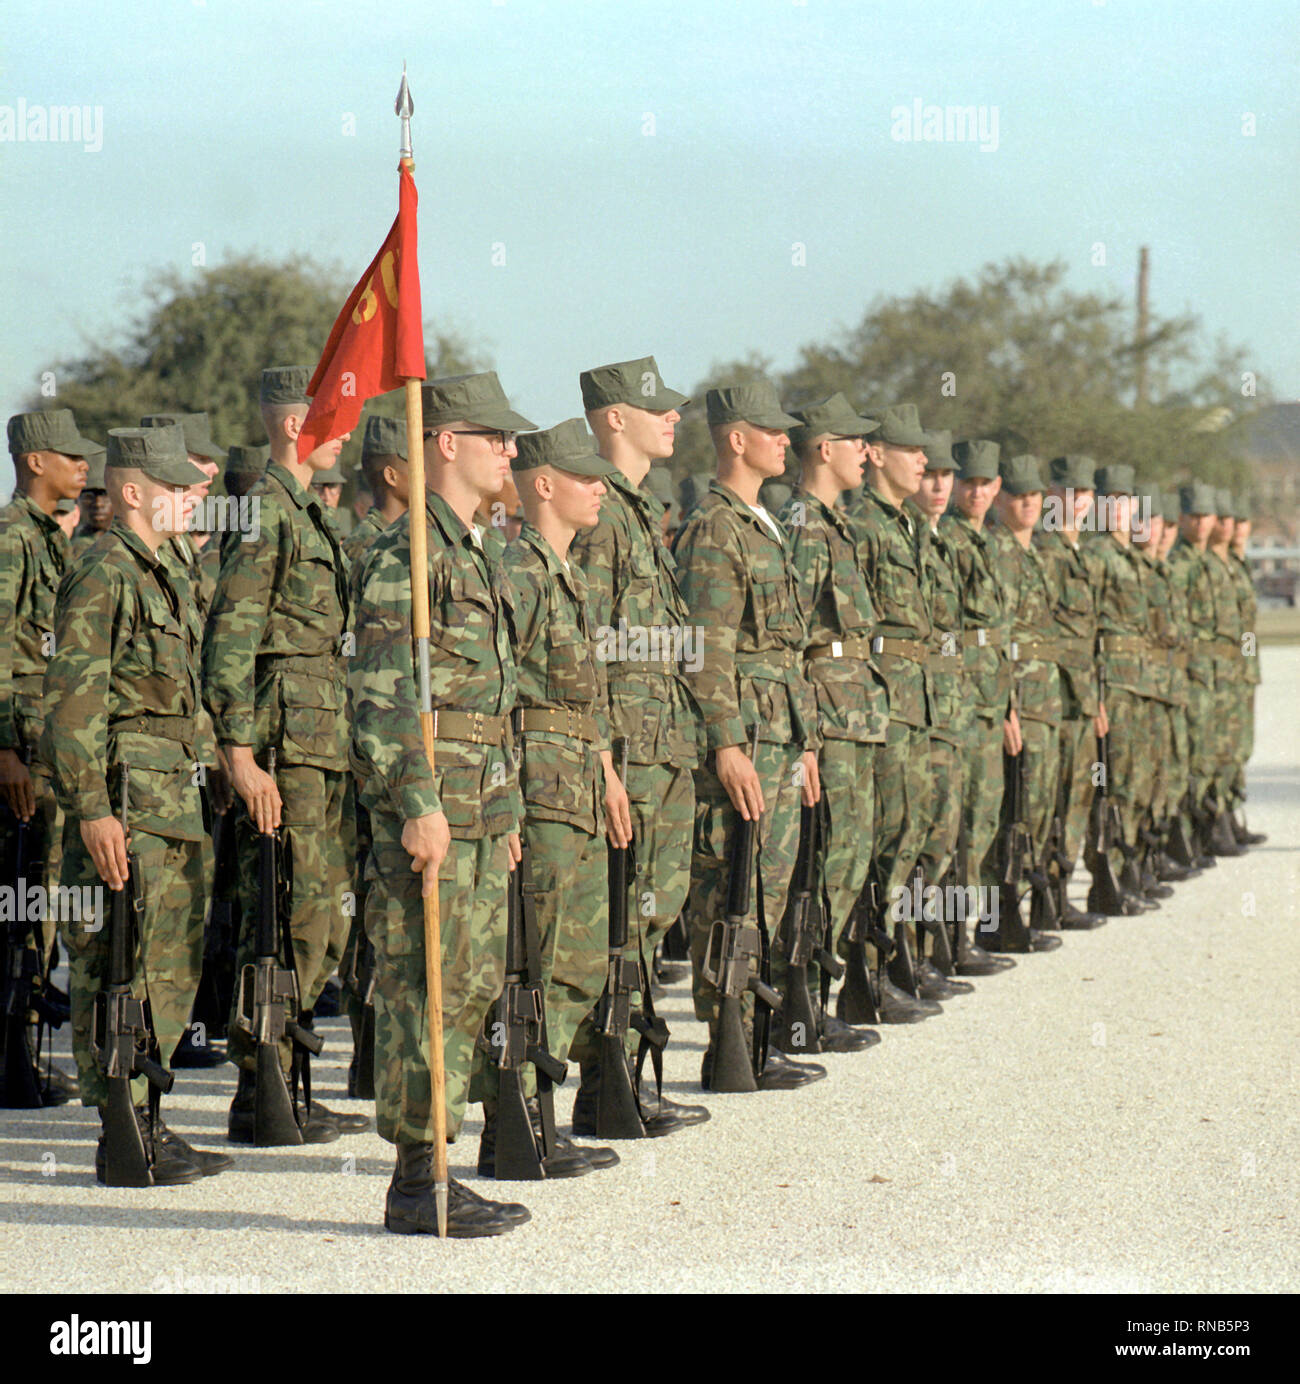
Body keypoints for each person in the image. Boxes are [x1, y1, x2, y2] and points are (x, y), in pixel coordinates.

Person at [350, 370, 536, 1236]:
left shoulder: (474, 550)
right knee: (422, 988)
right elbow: (383, 697)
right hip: (429, 810)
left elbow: (489, 700)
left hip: (478, 806)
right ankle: (417, 1179)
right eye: (493, 436)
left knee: (463, 986)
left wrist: (502, 814)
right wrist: (419, 803)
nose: (509, 450)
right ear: (446, 443)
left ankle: (440, 1164)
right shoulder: (406, 556)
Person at [41, 424, 231, 1183]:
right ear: (130, 492)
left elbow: (184, 698)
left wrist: (217, 761)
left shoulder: (167, 573)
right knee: (112, 960)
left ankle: (147, 1118)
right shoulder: (103, 572)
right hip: (125, 796)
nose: (189, 499)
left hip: (171, 796)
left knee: (165, 959)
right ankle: (119, 1124)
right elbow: (72, 705)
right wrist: (91, 808)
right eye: (174, 488)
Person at [201, 367, 367, 1144]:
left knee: (320, 912)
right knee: (286, 908)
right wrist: (238, 752)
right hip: (282, 743)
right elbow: (231, 636)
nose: (346, 428)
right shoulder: (267, 510)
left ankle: (285, 1068)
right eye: (335, 414)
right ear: (296, 422)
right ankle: (260, 1078)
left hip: (321, 739)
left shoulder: (306, 511)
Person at [474, 418, 622, 1175]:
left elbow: (584, 697)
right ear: (542, 485)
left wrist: (606, 768)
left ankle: (541, 1116)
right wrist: (500, 807)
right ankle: (518, 1121)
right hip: (535, 787)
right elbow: (493, 700)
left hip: (575, 783)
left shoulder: (571, 574)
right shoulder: (517, 573)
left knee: (576, 957)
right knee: (527, 959)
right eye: (584, 475)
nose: (599, 486)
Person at [672, 381, 826, 1091]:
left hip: (780, 728)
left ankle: (756, 1036)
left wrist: (806, 742)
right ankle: (725, 1033)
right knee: (731, 881)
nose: (785, 443)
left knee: (766, 880)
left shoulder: (760, 523)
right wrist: (727, 744)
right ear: (736, 439)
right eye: (770, 431)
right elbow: (706, 648)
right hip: (748, 734)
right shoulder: (716, 528)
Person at [568, 355, 708, 1131]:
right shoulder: (601, 515)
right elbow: (577, 643)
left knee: (652, 910)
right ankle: (603, 1081)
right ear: (613, 417)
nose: (674, 419)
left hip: (659, 740)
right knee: (619, 914)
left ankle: (623, 1077)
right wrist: (598, 760)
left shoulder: (638, 510)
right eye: (658, 408)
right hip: (623, 744)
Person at [778, 394, 899, 1030]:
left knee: (849, 853)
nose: (866, 453)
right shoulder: (802, 526)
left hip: (854, 708)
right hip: (827, 714)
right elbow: (789, 637)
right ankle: (802, 999)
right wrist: (804, 737)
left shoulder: (835, 523)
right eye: (855, 443)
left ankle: (823, 992)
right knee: (825, 858)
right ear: (825, 449)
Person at [0, 408, 94, 1106]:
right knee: (17, 904)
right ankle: (11, 1059)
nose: (83, 466)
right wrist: (5, 748)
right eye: (71, 455)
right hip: (19, 751)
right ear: (35, 462)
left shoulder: (49, 540)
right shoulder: (11, 542)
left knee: (40, 902)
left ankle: (23, 1051)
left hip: (43, 745)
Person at [846, 405, 947, 998]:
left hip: (914, 699)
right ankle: (865, 969)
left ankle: (896, 956)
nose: (924, 463)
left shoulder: (906, 525)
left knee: (910, 828)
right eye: (911, 451)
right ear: (878, 454)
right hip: (882, 699)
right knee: (880, 833)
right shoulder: (864, 526)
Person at [940, 440, 1016, 974]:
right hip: (957, 702)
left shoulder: (993, 543)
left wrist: (1009, 705)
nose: (976, 491)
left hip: (991, 702)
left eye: (986, 483)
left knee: (984, 820)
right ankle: (948, 940)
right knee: (954, 824)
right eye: (969, 482)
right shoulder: (947, 540)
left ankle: (970, 932)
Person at [984, 455, 1065, 953]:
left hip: (1045, 699)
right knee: (1006, 812)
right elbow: (998, 636)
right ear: (1000, 498)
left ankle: (1014, 914)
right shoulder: (994, 552)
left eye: (1034, 494)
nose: (1028, 502)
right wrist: (1006, 706)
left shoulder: (1038, 553)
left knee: (1034, 806)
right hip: (1018, 700)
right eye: (1017, 494)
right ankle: (995, 918)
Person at [1034, 455, 1109, 925]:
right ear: (1051, 496)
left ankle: (1061, 892)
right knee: (1049, 798)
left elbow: (1092, 635)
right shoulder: (1044, 551)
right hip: (1055, 698)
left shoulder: (1083, 552)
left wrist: (1097, 697)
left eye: (1084, 494)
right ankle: (1042, 896)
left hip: (1082, 698)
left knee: (1078, 795)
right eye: (1069, 492)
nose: (1078, 501)